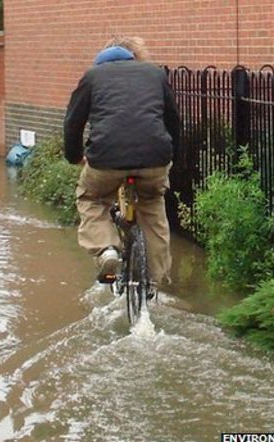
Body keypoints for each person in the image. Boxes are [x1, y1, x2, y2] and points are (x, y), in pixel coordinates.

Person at [62, 36, 181, 290]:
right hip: (154, 158)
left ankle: (106, 250)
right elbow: (173, 120)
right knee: (152, 203)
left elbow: (73, 123)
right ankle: (155, 278)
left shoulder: (92, 76)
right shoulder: (154, 74)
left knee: (91, 198)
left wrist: (75, 157)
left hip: (106, 159)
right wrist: (173, 156)